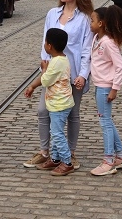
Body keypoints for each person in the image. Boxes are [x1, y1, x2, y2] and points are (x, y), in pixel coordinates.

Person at [22, 0, 94, 170]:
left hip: (74, 73)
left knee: (73, 114)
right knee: (43, 110)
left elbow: (86, 50)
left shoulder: (84, 18)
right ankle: (44, 152)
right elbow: (44, 42)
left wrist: (83, 75)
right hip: (53, 71)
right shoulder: (52, 14)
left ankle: (70, 153)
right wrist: (44, 65)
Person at [23, 28, 75, 176]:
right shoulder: (61, 59)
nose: (44, 45)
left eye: (45, 42)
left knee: (57, 133)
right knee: (55, 131)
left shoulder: (56, 63)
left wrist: (44, 68)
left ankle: (67, 162)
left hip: (59, 104)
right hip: (58, 103)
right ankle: (56, 159)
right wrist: (32, 86)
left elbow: (45, 81)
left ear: (50, 46)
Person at [88, 5, 122, 176]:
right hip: (99, 85)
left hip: (105, 87)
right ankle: (121, 155)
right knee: (106, 120)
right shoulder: (96, 39)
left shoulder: (108, 42)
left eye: (92, 20)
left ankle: (109, 160)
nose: (90, 23)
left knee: (105, 122)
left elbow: (121, 66)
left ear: (101, 23)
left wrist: (115, 88)